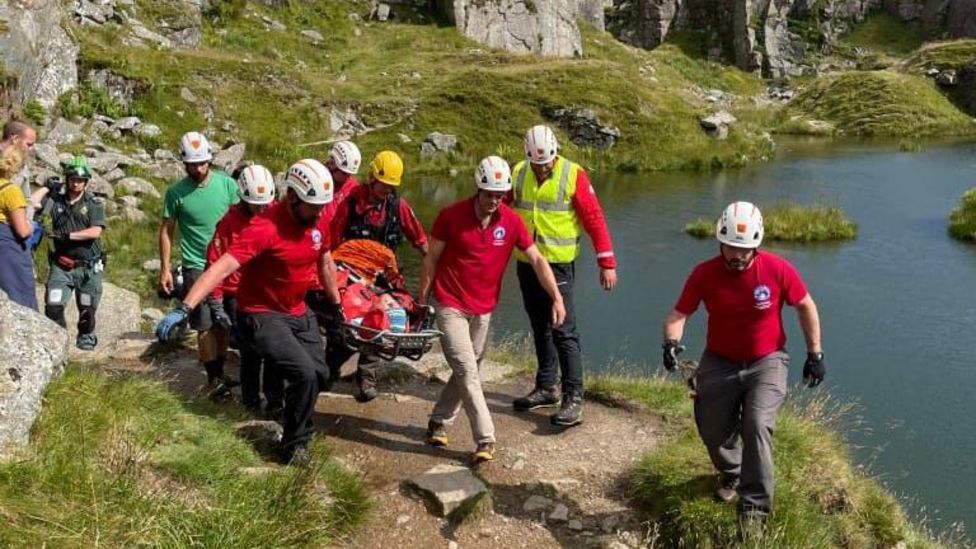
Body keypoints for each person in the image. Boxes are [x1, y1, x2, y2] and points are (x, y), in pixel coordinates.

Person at [156, 159, 342, 466]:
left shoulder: (318, 221)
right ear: (293, 197)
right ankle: (295, 444)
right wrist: (186, 306)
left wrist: (336, 309)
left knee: (320, 374)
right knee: (304, 374)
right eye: (313, 206)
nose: (320, 212)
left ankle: (290, 423)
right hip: (261, 313)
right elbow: (220, 268)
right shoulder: (264, 228)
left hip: (298, 310)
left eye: (323, 205)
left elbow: (325, 262)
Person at [661, 201, 825, 533]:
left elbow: (805, 305)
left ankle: (755, 508)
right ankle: (733, 472)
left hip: (768, 361)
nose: (737, 255)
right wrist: (670, 342)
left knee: (756, 423)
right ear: (720, 242)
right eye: (730, 248)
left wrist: (815, 354)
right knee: (711, 427)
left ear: (756, 245)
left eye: (744, 249)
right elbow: (679, 313)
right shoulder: (704, 273)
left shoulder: (778, 270)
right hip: (719, 360)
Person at [420, 156, 566, 465]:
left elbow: (538, 260)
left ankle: (438, 421)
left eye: (500, 196)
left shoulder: (511, 221)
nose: (494, 202)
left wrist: (557, 297)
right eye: (489, 194)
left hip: (483, 309)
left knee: (466, 370)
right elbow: (431, 258)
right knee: (469, 371)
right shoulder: (450, 216)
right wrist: (422, 299)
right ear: (478, 188)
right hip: (449, 305)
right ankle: (485, 438)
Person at [509, 124, 618, 427]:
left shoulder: (573, 174)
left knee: (563, 329)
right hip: (527, 261)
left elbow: (594, 217)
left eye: (545, 163)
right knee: (539, 325)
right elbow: (503, 209)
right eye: (536, 163)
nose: (541, 168)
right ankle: (547, 387)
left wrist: (606, 261)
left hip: (558, 264)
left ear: (555, 155)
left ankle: (574, 397)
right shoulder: (518, 172)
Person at [327, 149, 428, 402]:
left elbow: (420, 239)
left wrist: (433, 259)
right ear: (372, 177)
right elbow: (332, 242)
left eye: (390, 186)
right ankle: (327, 369)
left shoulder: (398, 206)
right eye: (383, 185)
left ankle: (366, 377)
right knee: (344, 326)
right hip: (350, 274)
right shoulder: (350, 203)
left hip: (382, 278)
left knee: (380, 321)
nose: (386, 190)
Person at [158, 131, 240, 394]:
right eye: (193, 164)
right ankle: (213, 377)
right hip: (196, 264)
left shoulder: (227, 185)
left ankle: (222, 368)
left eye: (203, 163)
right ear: (184, 163)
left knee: (223, 321)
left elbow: (242, 222)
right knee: (204, 324)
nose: (199, 168)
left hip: (226, 263)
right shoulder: (176, 193)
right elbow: (166, 230)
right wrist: (165, 268)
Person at [206, 165, 282, 415]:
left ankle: (274, 401)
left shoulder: (275, 215)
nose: (262, 209)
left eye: (265, 204)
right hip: (236, 294)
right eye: (256, 205)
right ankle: (250, 401)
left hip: (269, 293)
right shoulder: (228, 223)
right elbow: (216, 262)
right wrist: (216, 303)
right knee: (250, 351)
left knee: (272, 349)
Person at [32, 156, 106, 350]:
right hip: (61, 266)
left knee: (86, 312)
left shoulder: (93, 203)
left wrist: (69, 236)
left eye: (80, 180)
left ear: (86, 182)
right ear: (67, 179)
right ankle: (59, 344)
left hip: (88, 267)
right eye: (72, 179)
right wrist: (48, 188)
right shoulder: (55, 201)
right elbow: (33, 205)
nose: (76, 183)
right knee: (53, 307)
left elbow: (96, 231)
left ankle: (86, 342)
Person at [0, 146, 35, 309]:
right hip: (8, 248)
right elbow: (21, 231)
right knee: (20, 296)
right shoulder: (11, 191)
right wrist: (31, 227)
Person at [321, 140, 362, 222]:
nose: (347, 177)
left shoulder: (353, 189)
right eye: (344, 173)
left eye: (349, 174)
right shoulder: (316, 180)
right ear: (333, 164)